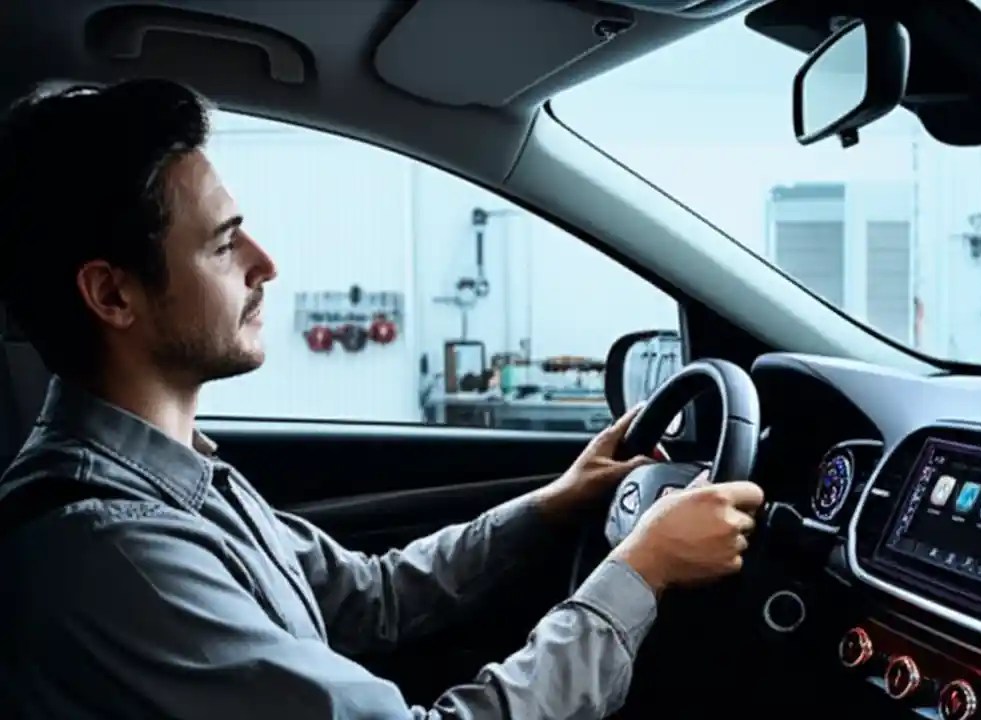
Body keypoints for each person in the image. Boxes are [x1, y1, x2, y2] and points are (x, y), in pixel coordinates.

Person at [0, 79, 765, 719]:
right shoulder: (114, 552)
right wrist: (638, 574)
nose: (266, 263)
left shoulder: (172, 482)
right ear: (111, 294)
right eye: (224, 243)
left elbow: (372, 598)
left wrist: (553, 505)